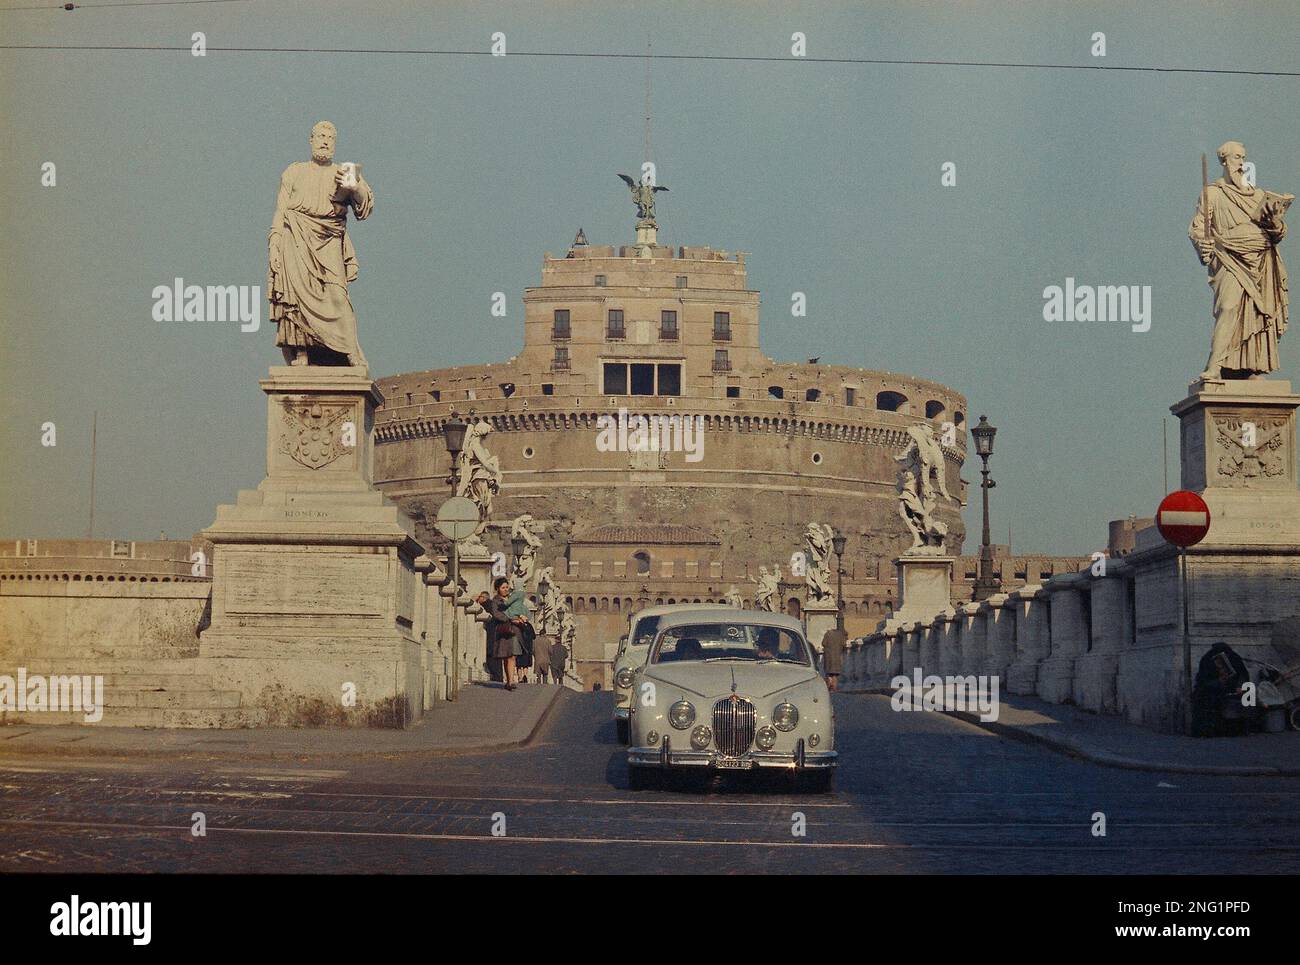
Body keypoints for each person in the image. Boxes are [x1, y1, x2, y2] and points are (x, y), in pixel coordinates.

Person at [486, 577, 525, 690]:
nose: (505, 589)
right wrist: (510, 619)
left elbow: (519, 609)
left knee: (512, 656)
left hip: (514, 631)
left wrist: (521, 617)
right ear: (498, 589)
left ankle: (510, 681)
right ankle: (508, 680)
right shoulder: (496, 601)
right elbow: (496, 614)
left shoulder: (512, 599)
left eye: (507, 587)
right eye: (503, 587)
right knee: (506, 656)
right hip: (504, 630)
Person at [476, 591, 501, 683]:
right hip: (495, 634)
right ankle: (498, 677)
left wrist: (475, 602)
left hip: (490, 633)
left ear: (484, 598)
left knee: (490, 655)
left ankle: (495, 676)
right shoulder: (493, 605)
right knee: (496, 657)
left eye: (480, 597)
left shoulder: (486, 605)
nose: (479, 599)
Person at [820, 622, 847, 692]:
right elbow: (844, 644)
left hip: (828, 657)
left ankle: (829, 685)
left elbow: (823, 643)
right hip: (837, 657)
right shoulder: (840, 635)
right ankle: (834, 687)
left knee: (829, 673)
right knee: (835, 674)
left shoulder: (828, 634)